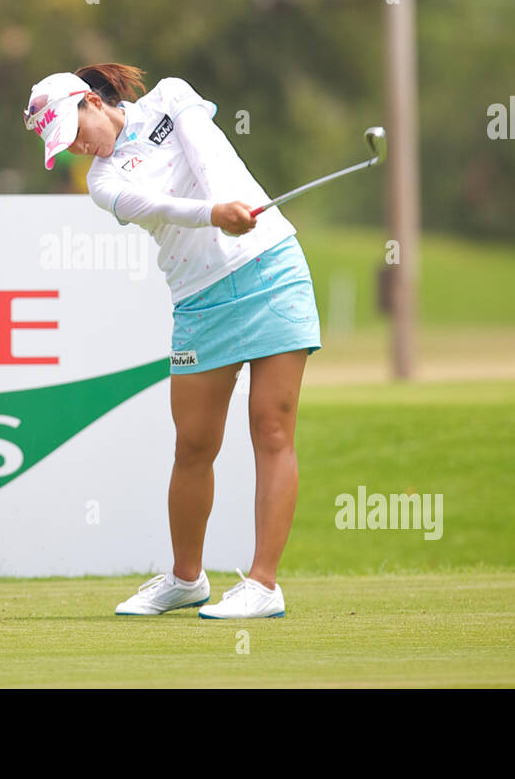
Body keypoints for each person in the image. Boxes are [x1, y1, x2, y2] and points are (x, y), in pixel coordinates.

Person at [23, 63, 321, 620]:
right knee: (193, 445)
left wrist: (229, 202)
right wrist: (214, 214)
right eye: (66, 145)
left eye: (76, 131)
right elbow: (161, 208)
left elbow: (206, 150)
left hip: (271, 268)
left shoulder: (169, 97)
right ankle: (187, 580)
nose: (79, 147)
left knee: (273, 428)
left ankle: (263, 584)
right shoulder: (102, 183)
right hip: (199, 300)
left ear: (90, 100)